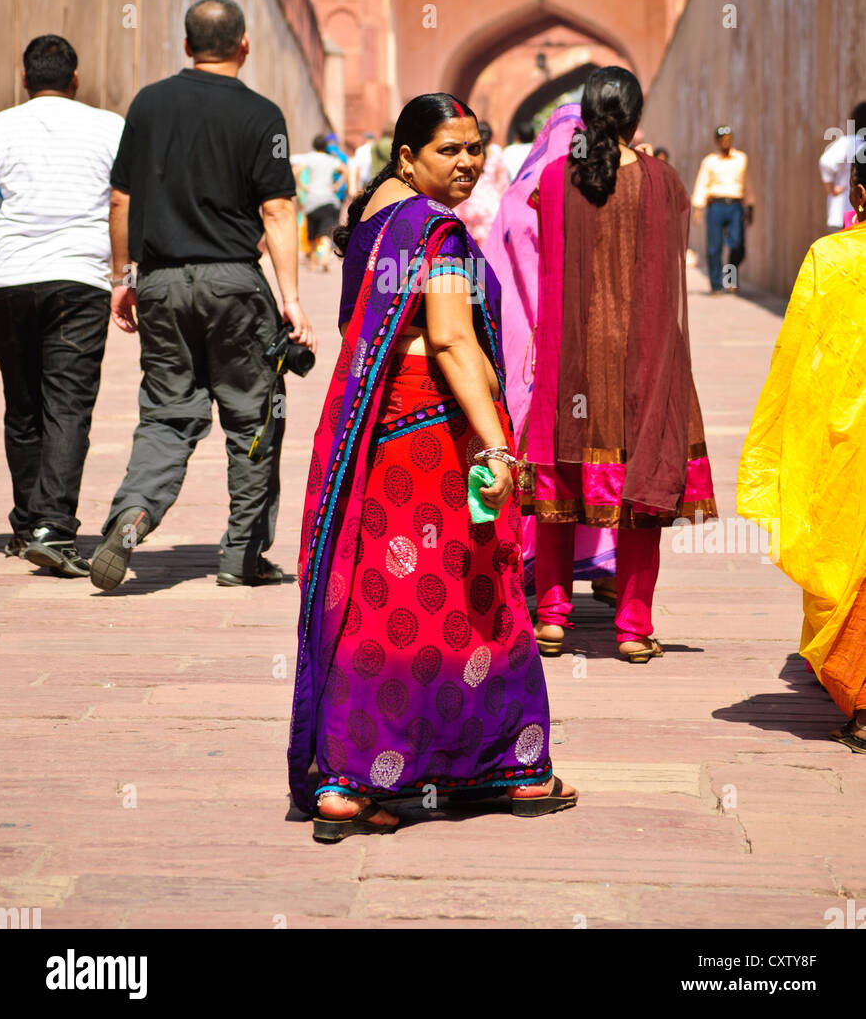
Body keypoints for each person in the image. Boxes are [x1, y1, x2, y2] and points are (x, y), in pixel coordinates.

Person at [288, 93, 577, 841]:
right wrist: (497, 446)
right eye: (450, 151)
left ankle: (352, 779)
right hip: (433, 440)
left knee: (381, 599)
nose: (470, 163)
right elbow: (451, 341)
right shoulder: (436, 231)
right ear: (409, 156)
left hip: (380, 440)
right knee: (476, 596)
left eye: (476, 148)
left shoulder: (379, 214)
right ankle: (511, 768)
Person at [90, 0, 315, 592]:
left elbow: (120, 200)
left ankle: (133, 515)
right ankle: (241, 555)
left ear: (186, 47)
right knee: (253, 419)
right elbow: (277, 207)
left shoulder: (149, 104)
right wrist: (290, 298)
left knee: (167, 416)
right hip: (234, 283)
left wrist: (123, 278)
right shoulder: (261, 114)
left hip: (161, 282)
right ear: (245, 46)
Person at [526, 67, 717, 661]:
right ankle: (633, 627)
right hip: (643, 358)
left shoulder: (555, 180)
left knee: (560, 479)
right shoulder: (663, 181)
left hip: (573, 356)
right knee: (642, 484)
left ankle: (552, 617)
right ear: (636, 117)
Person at [738, 155, 866, 753]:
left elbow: (796, 361)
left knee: (847, 562)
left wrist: (782, 441)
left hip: (849, 445)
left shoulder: (832, 258)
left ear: (858, 196)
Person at [0, 36, 124, 577]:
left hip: (7, 278)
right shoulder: (109, 126)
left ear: (25, 81)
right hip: (79, 279)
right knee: (67, 405)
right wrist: (126, 274)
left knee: (22, 404)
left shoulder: (1, 125)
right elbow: (122, 200)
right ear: (75, 79)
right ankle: (52, 526)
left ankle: (28, 526)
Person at [484, 105, 617, 614]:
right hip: (593, 344)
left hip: (530, 351)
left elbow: (497, 275)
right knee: (601, 451)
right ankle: (607, 566)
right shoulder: (598, 191)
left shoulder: (522, 196)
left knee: (538, 453)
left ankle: (536, 573)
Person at [692, 125, 754, 294]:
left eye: (728, 139)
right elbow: (702, 183)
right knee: (714, 247)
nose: (726, 142)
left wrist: (750, 205)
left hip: (735, 206)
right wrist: (698, 208)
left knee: (737, 245)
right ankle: (717, 285)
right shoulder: (710, 161)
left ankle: (730, 277)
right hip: (716, 206)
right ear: (717, 141)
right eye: (722, 139)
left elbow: (746, 182)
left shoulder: (741, 159)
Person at [291, 134, 346, 272]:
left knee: (313, 234)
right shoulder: (330, 160)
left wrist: (302, 186)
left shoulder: (309, 158)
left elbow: (295, 170)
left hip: (312, 200)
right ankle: (325, 259)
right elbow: (346, 170)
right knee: (325, 233)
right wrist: (337, 186)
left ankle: (314, 264)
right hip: (328, 199)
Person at [455, 120, 509, 247]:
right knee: (487, 249)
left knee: (469, 247)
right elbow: (502, 183)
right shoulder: (496, 155)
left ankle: (473, 267)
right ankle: (484, 267)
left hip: (468, 202)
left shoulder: (466, 155)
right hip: (490, 204)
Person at [818, 102, 866, 231]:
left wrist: (831, 189)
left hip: (842, 214)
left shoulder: (849, 141)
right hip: (854, 215)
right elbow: (826, 161)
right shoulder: (852, 142)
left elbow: (826, 161)